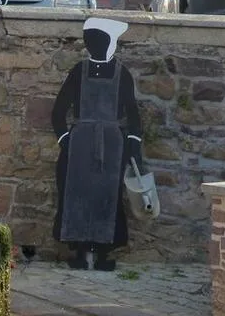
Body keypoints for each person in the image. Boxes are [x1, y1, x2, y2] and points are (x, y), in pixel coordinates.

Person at [51, 17, 142, 271]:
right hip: (79, 145)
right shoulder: (78, 72)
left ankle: (103, 253)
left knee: (108, 197)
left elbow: (133, 114)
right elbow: (58, 111)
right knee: (76, 195)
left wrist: (133, 147)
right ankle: (80, 251)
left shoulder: (122, 73)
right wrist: (66, 141)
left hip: (112, 146)